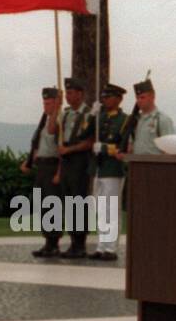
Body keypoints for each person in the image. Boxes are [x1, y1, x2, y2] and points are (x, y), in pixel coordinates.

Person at [21, 87, 64, 258]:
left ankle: (53, 243)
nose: (45, 106)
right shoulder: (44, 122)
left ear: (56, 103)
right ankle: (47, 241)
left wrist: (59, 173)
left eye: (48, 103)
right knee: (43, 206)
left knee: (52, 205)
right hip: (42, 167)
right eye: (44, 103)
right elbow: (39, 146)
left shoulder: (60, 121)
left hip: (53, 166)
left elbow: (61, 152)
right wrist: (29, 161)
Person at [56, 77, 95, 259]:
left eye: (71, 93)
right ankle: (73, 241)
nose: (68, 97)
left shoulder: (88, 114)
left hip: (80, 162)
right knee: (68, 203)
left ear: (80, 93)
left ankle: (80, 243)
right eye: (67, 93)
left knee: (79, 202)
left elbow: (89, 142)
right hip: (67, 163)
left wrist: (69, 149)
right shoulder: (66, 114)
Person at [89, 83, 129, 261]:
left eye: (109, 97)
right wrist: (91, 115)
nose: (105, 100)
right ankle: (101, 245)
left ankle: (111, 248)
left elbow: (124, 147)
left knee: (111, 209)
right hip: (98, 168)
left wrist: (104, 148)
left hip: (113, 169)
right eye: (104, 97)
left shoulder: (125, 120)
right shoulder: (100, 117)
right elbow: (85, 133)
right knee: (100, 209)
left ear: (119, 99)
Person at [126, 73, 173, 155]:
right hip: (136, 165)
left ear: (152, 96)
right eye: (137, 98)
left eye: (142, 97)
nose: (139, 100)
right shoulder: (135, 121)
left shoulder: (162, 120)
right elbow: (131, 147)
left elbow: (169, 150)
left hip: (155, 166)